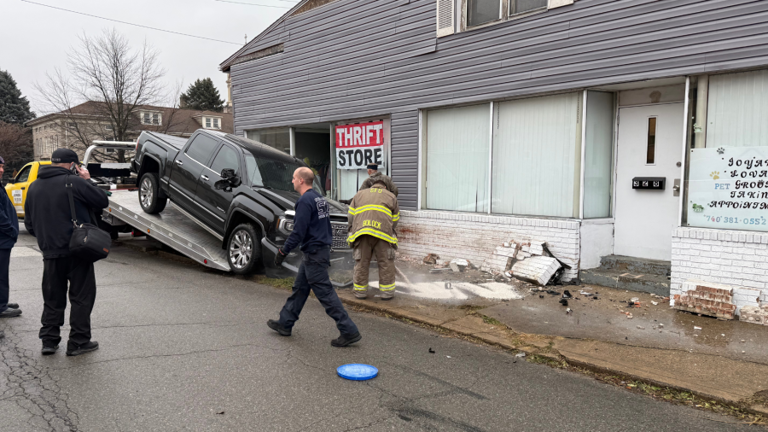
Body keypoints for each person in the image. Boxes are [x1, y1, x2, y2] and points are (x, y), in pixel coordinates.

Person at [24, 148, 109, 356]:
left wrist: (48, 239)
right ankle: (79, 341)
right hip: (77, 249)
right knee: (81, 297)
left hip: (50, 251)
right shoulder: (75, 182)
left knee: (52, 297)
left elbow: (29, 224)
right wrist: (88, 179)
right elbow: (102, 201)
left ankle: (49, 341)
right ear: (73, 165)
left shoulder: (33, 186)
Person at [268, 167, 361, 347]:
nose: (292, 181)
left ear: (301, 180)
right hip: (317, 251)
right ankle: (285, 323)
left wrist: (283, 251)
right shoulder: (319, 199)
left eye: (294, 178)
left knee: (325, 294)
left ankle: (349, 330)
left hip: (314, 254)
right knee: (300, 289)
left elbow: (298, 231)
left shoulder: (304, 201)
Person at [347, 180, 400, 300]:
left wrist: (351, 228)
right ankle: (387, 294)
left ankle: (360, 292)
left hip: (362, 233)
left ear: (372, 186)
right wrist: (389, 229)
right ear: (385, 187)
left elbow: (350, 216)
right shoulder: (391, 196)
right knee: (386, 263)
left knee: (362, 263)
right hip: (383, 234)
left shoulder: (359, 194)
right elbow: (395, 219)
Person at [0, 156, 21, 319]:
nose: (2, 170)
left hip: (3, 238)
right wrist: (11, 230)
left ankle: (3, 301)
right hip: (2, 238)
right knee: (1, 274)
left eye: (2, 166)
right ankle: (1, 306)